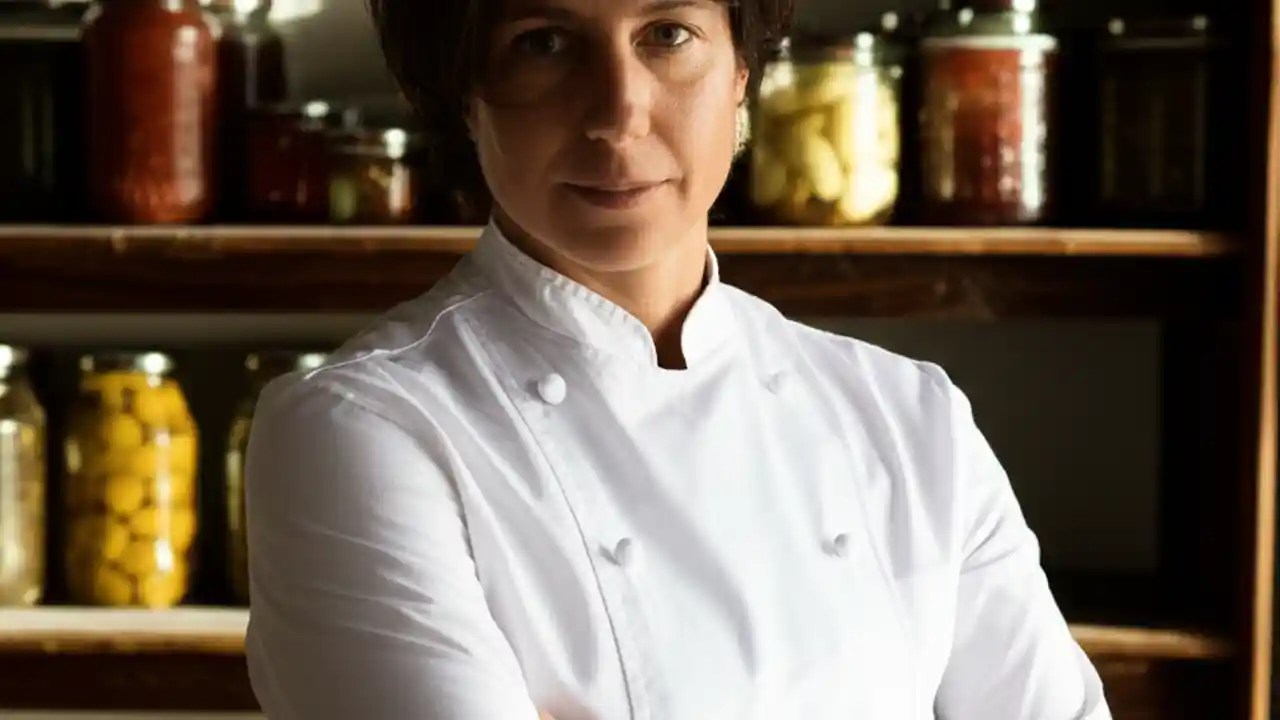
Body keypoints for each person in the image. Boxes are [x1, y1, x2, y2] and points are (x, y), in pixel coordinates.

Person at [243, 0, 1112, 718]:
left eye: (668, 34)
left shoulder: (908, 417)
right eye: (543, 44)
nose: (619, 110)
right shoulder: (361, 429)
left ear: (741, 75)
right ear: (464, 95)